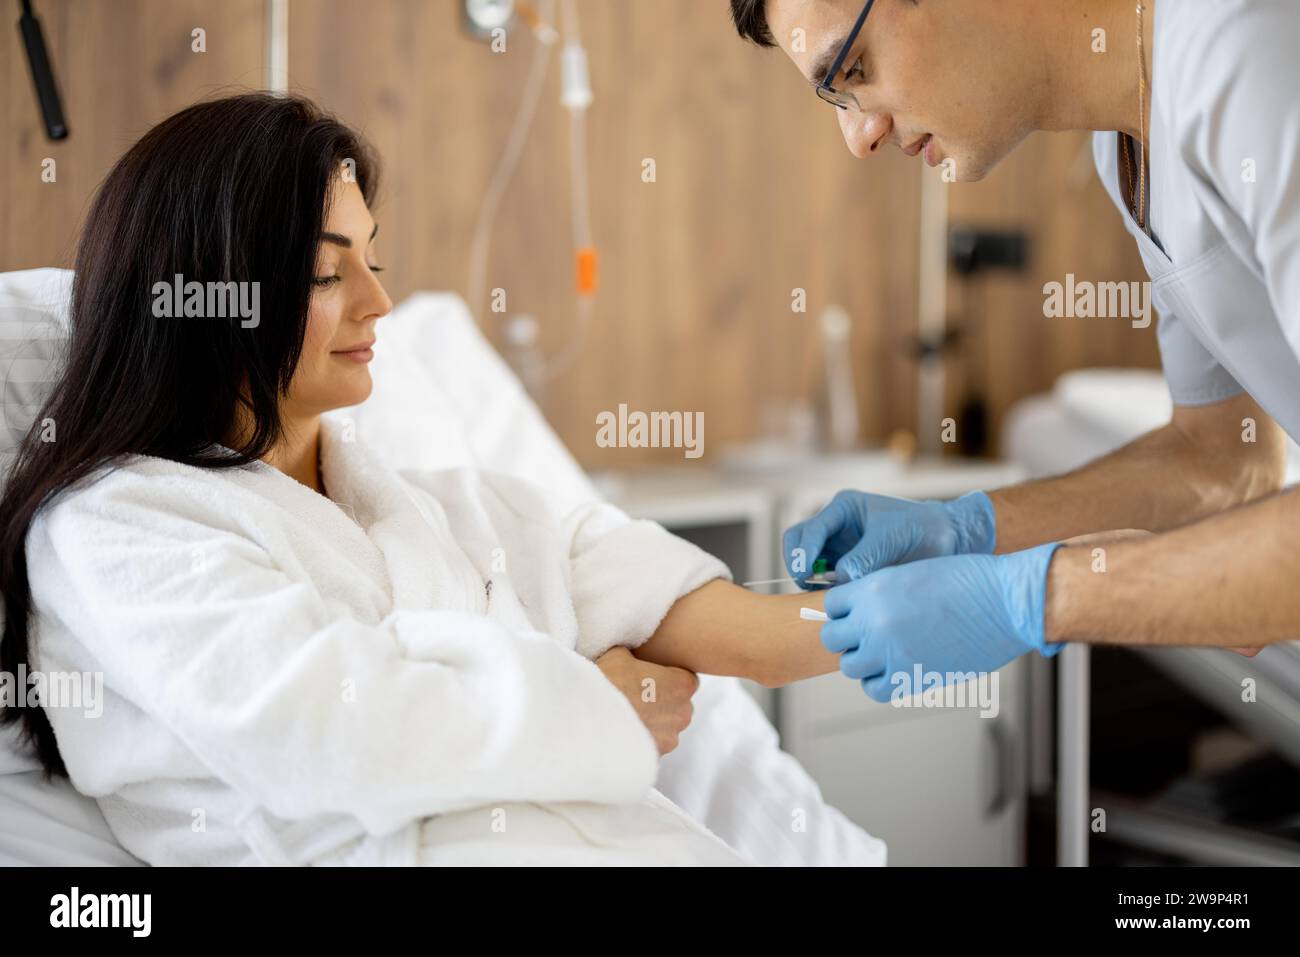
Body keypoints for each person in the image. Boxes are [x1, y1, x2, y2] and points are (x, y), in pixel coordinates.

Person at [0, 93, 853, 866]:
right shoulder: (114, 528)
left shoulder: (434, 508)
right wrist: (596, 706)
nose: (378, 302)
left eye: (375, 261)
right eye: (327, 273)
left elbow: (683, 603)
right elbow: (325, 729)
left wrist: (913, 600)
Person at [728, 0, 1300, 699]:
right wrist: (968, 530)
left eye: (855, 66)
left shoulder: (1246, 51)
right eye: (839, 97)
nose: (858, 136)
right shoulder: (1128, 145)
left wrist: (1034, 597)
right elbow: (1225, 459)